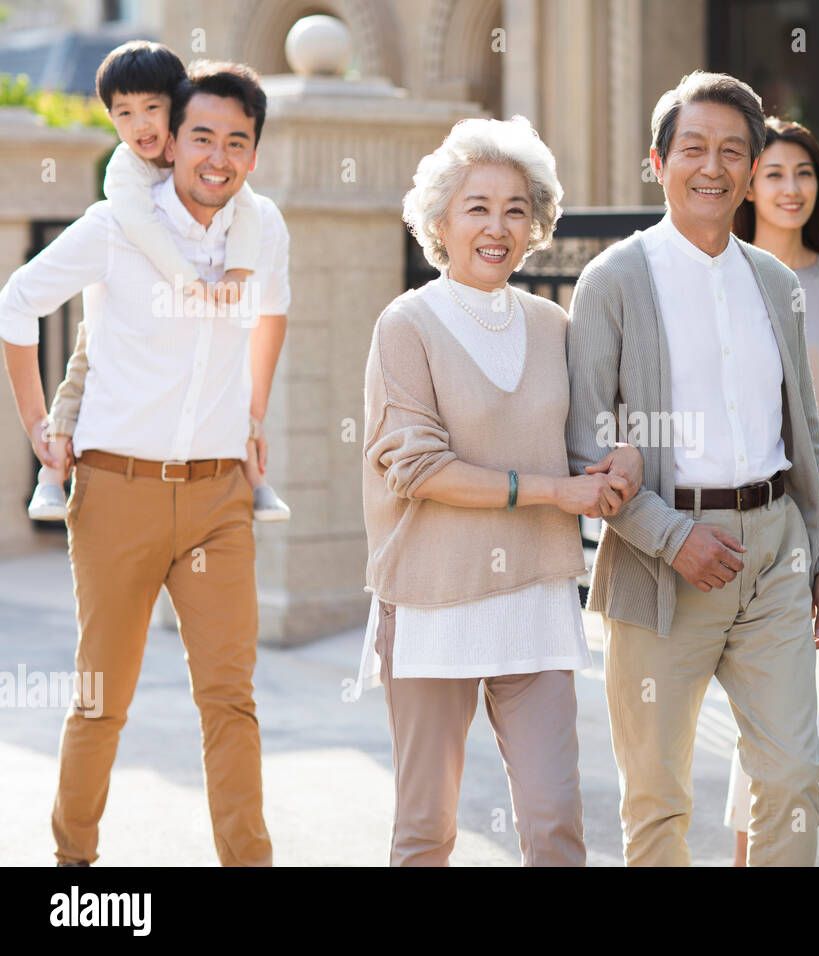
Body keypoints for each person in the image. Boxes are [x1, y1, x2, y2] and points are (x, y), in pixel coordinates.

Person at [0, 60, 290, 866]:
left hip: (219, 499)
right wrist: (36, 425)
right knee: (102, 701)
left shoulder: (262, 229)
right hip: (116, 491)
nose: (218, 155)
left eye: (238, 140)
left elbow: (274, 314)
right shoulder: (117, 223)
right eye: (202, 135)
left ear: (254, 153)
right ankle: (73, 866)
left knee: (230, 700)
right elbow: (14, 304)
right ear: (172, 140)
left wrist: (253, 412)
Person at [566, 71, 819, 867]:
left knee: (795, 773)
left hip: (773, 549)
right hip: (662, 566)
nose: (713, 167)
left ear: (754, 168)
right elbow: (581, 448)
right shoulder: (613, 282)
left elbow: (804, 436)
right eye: (693, 148)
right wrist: (671, 537)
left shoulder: (776, 283)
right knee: (658, 796)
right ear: (657, 162)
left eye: (735, 151)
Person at [352, 115, 642, 867]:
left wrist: (617, 465)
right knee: (426, 831)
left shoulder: (553, 324)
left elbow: (585, 445)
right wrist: (553, 492)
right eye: (477, 207)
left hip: (536, 600)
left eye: (517, 209)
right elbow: (415, 467)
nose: (498, 226)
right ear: (441, 222)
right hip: (432, 601)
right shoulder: (406, 324)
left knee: (554, 824)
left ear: (536, 224)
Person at [26, 40, 290, 523]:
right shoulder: (126, 172)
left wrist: (237, 271)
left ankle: (257, 482)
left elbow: (249, 209)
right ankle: (49, 476)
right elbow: (143, 230)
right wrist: (188, 281)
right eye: (124, 113)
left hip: (210, 475)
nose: (140, 125)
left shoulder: (210, 161)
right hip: (133, 294)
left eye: (152, 108)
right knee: (83, 369)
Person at [722, 115, 819, 864]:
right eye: (775, 173)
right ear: (749, 184)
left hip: (806, 518)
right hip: (728, 509)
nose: (791, 188)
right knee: (754, 708)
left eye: (804, 174)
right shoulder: (725, 271)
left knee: (787, 708)